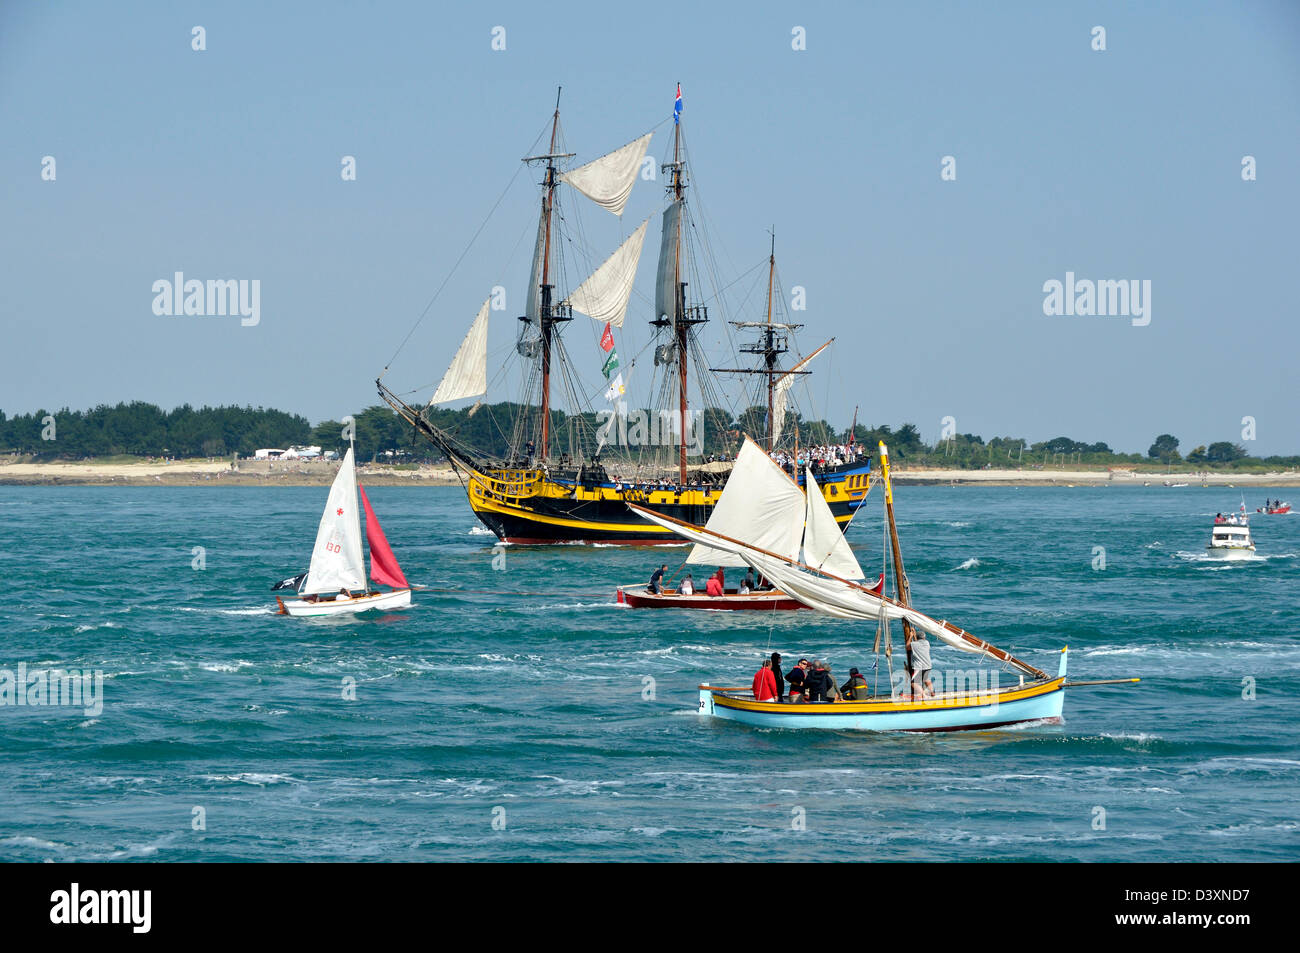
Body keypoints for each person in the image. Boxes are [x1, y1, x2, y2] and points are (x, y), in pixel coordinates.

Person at [910, 632, 933, 698]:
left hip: (919, 667)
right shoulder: (927, 643)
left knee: (914, 683)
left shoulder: (914, 644)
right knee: (926, 679)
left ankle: (923, 695)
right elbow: (917, 644)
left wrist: (910, 636)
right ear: (924, 637)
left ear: (917, 638)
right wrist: (914, 636)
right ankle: (932, 692)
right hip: (927, 665)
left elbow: (908, 647)